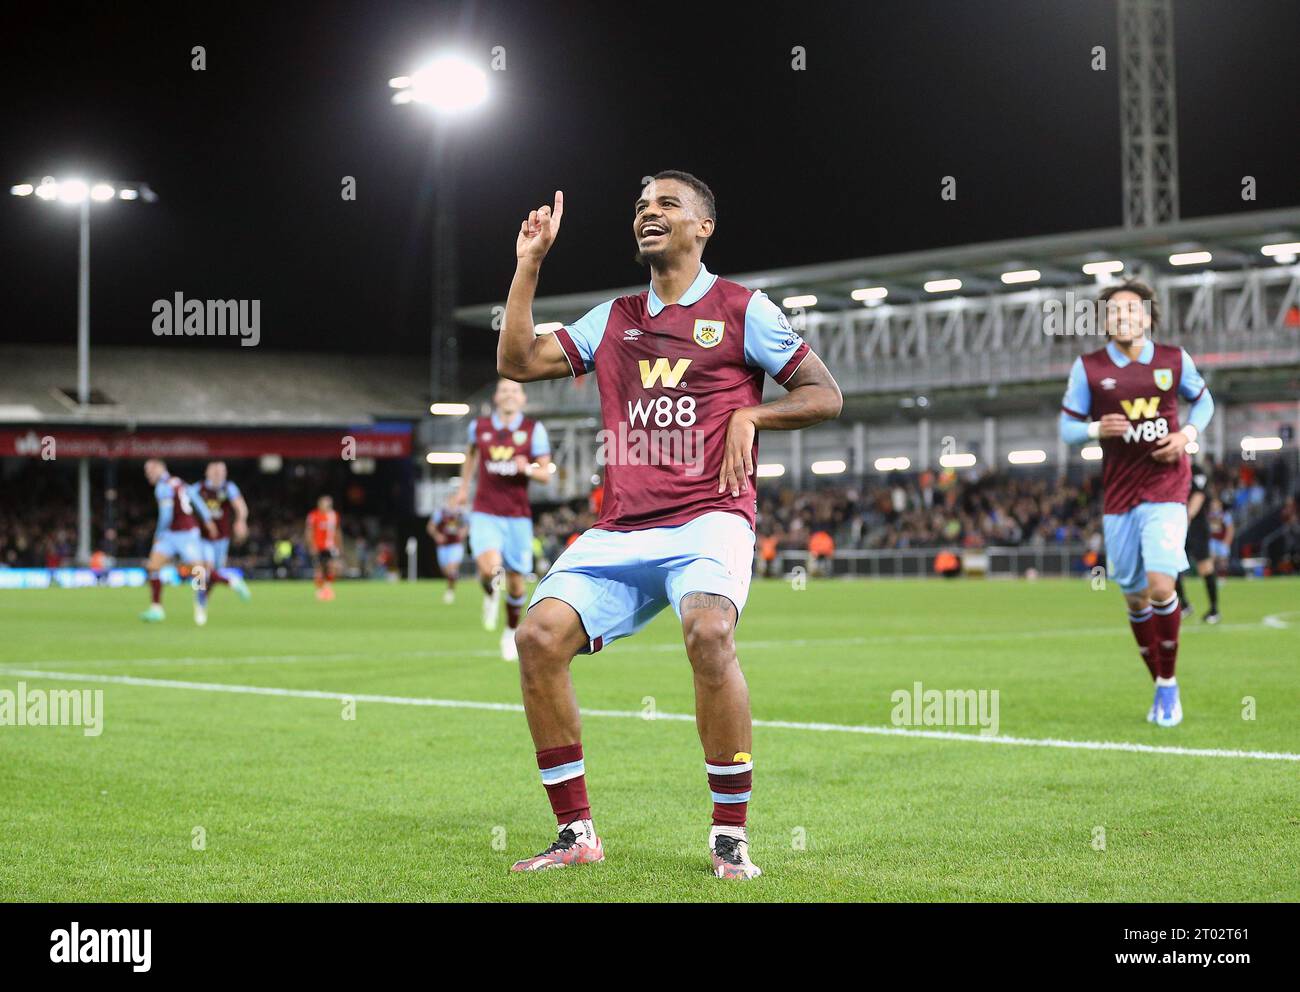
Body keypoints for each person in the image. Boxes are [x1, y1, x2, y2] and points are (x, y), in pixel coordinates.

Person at [497, 171, 842, 878]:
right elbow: (518, 361)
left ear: (702, 226)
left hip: (709, 518)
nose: (648, 215)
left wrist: (752, 413)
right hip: (622, 525)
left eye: (666, 206)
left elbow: (824, 395)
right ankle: (576, 834)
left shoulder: (746, 309)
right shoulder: (613, 317)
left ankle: (730, 835)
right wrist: (529, 265)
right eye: (641, 208)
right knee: (536, 637)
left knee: (710, 632)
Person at [1059, 280, 1214, 727]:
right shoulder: (1088, 369)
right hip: (1120, 494)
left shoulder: (1173, 360)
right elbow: (1068, 428)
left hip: (1167, 487)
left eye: (1132, 309)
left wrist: (1186, 435)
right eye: (1114, 312)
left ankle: (1168, 687)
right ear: (1105, 323)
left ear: (1148, 317)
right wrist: (1093, 430)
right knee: (1134, 597)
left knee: (1162, 586)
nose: (1123, 317)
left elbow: (1204, 403)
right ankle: (1161, 682)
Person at [451, 379, 552, 660]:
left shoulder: (534, 430)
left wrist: (528, 469)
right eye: (504, 390)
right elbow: (470, 456)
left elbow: (545, 474)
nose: (509, 395)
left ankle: (509, 632)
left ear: (522, 399)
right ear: (496, 397)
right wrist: (462, 488)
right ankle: (490, 589)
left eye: (514, 391)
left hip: (518, 516)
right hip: (485, 511)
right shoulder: (479, 428)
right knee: (490, 567)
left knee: (517, 583)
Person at [140, 459, 219, 625]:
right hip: (173, 534)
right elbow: (196, 499)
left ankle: (200, 605)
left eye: (150, 471)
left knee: (198, 570)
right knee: (153, 566)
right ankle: (156, 609)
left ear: (159, 469)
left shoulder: (163, 487)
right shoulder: (178, 481)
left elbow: (166, 514)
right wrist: (207, 520)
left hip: (184, 534)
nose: (148, 475)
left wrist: (158, 534)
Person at [192, 461, 252, 603]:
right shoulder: (197, 489)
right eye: (215, 471)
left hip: (222, 537)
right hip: (202, 537)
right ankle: (230, 583)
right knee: (203, 567)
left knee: (214, 572)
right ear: (207, 473)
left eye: (221, 472)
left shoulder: (228, 488)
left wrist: (241, 520)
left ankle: (203, 597)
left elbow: (241, 507)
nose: (219, 475)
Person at [1176, 462, 1219, 623]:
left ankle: (1214, 609)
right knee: (1172, 565)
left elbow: (1198, 495)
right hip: (1176, 525)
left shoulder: (1196, 470)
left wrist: (1186, 517)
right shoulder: (1171, 469)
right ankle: (1183, 604)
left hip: (1197, 527)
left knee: (1204, 566)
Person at [427, 505, 468, 604]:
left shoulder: (461, 513)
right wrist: (437, 535)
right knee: (446, 571)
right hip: (443, 547)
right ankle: (451, 585)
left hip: (456, 545)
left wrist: (464, 532)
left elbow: (468, 525)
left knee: (452, 568)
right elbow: (430, 526)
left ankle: (450, 592)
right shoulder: (441, 513)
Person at [306, 495, 340, 600]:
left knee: (332, 567)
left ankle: (328, 587)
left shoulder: (334, 515)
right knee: (319, 569)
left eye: (329, 504)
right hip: (318, 546)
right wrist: (311, 545)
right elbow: (309, 531)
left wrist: (338, 545)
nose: (327, 506)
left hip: (330, 546)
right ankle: (319, 590)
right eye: (325, 504)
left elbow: (337, 531)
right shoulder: (313, 515)